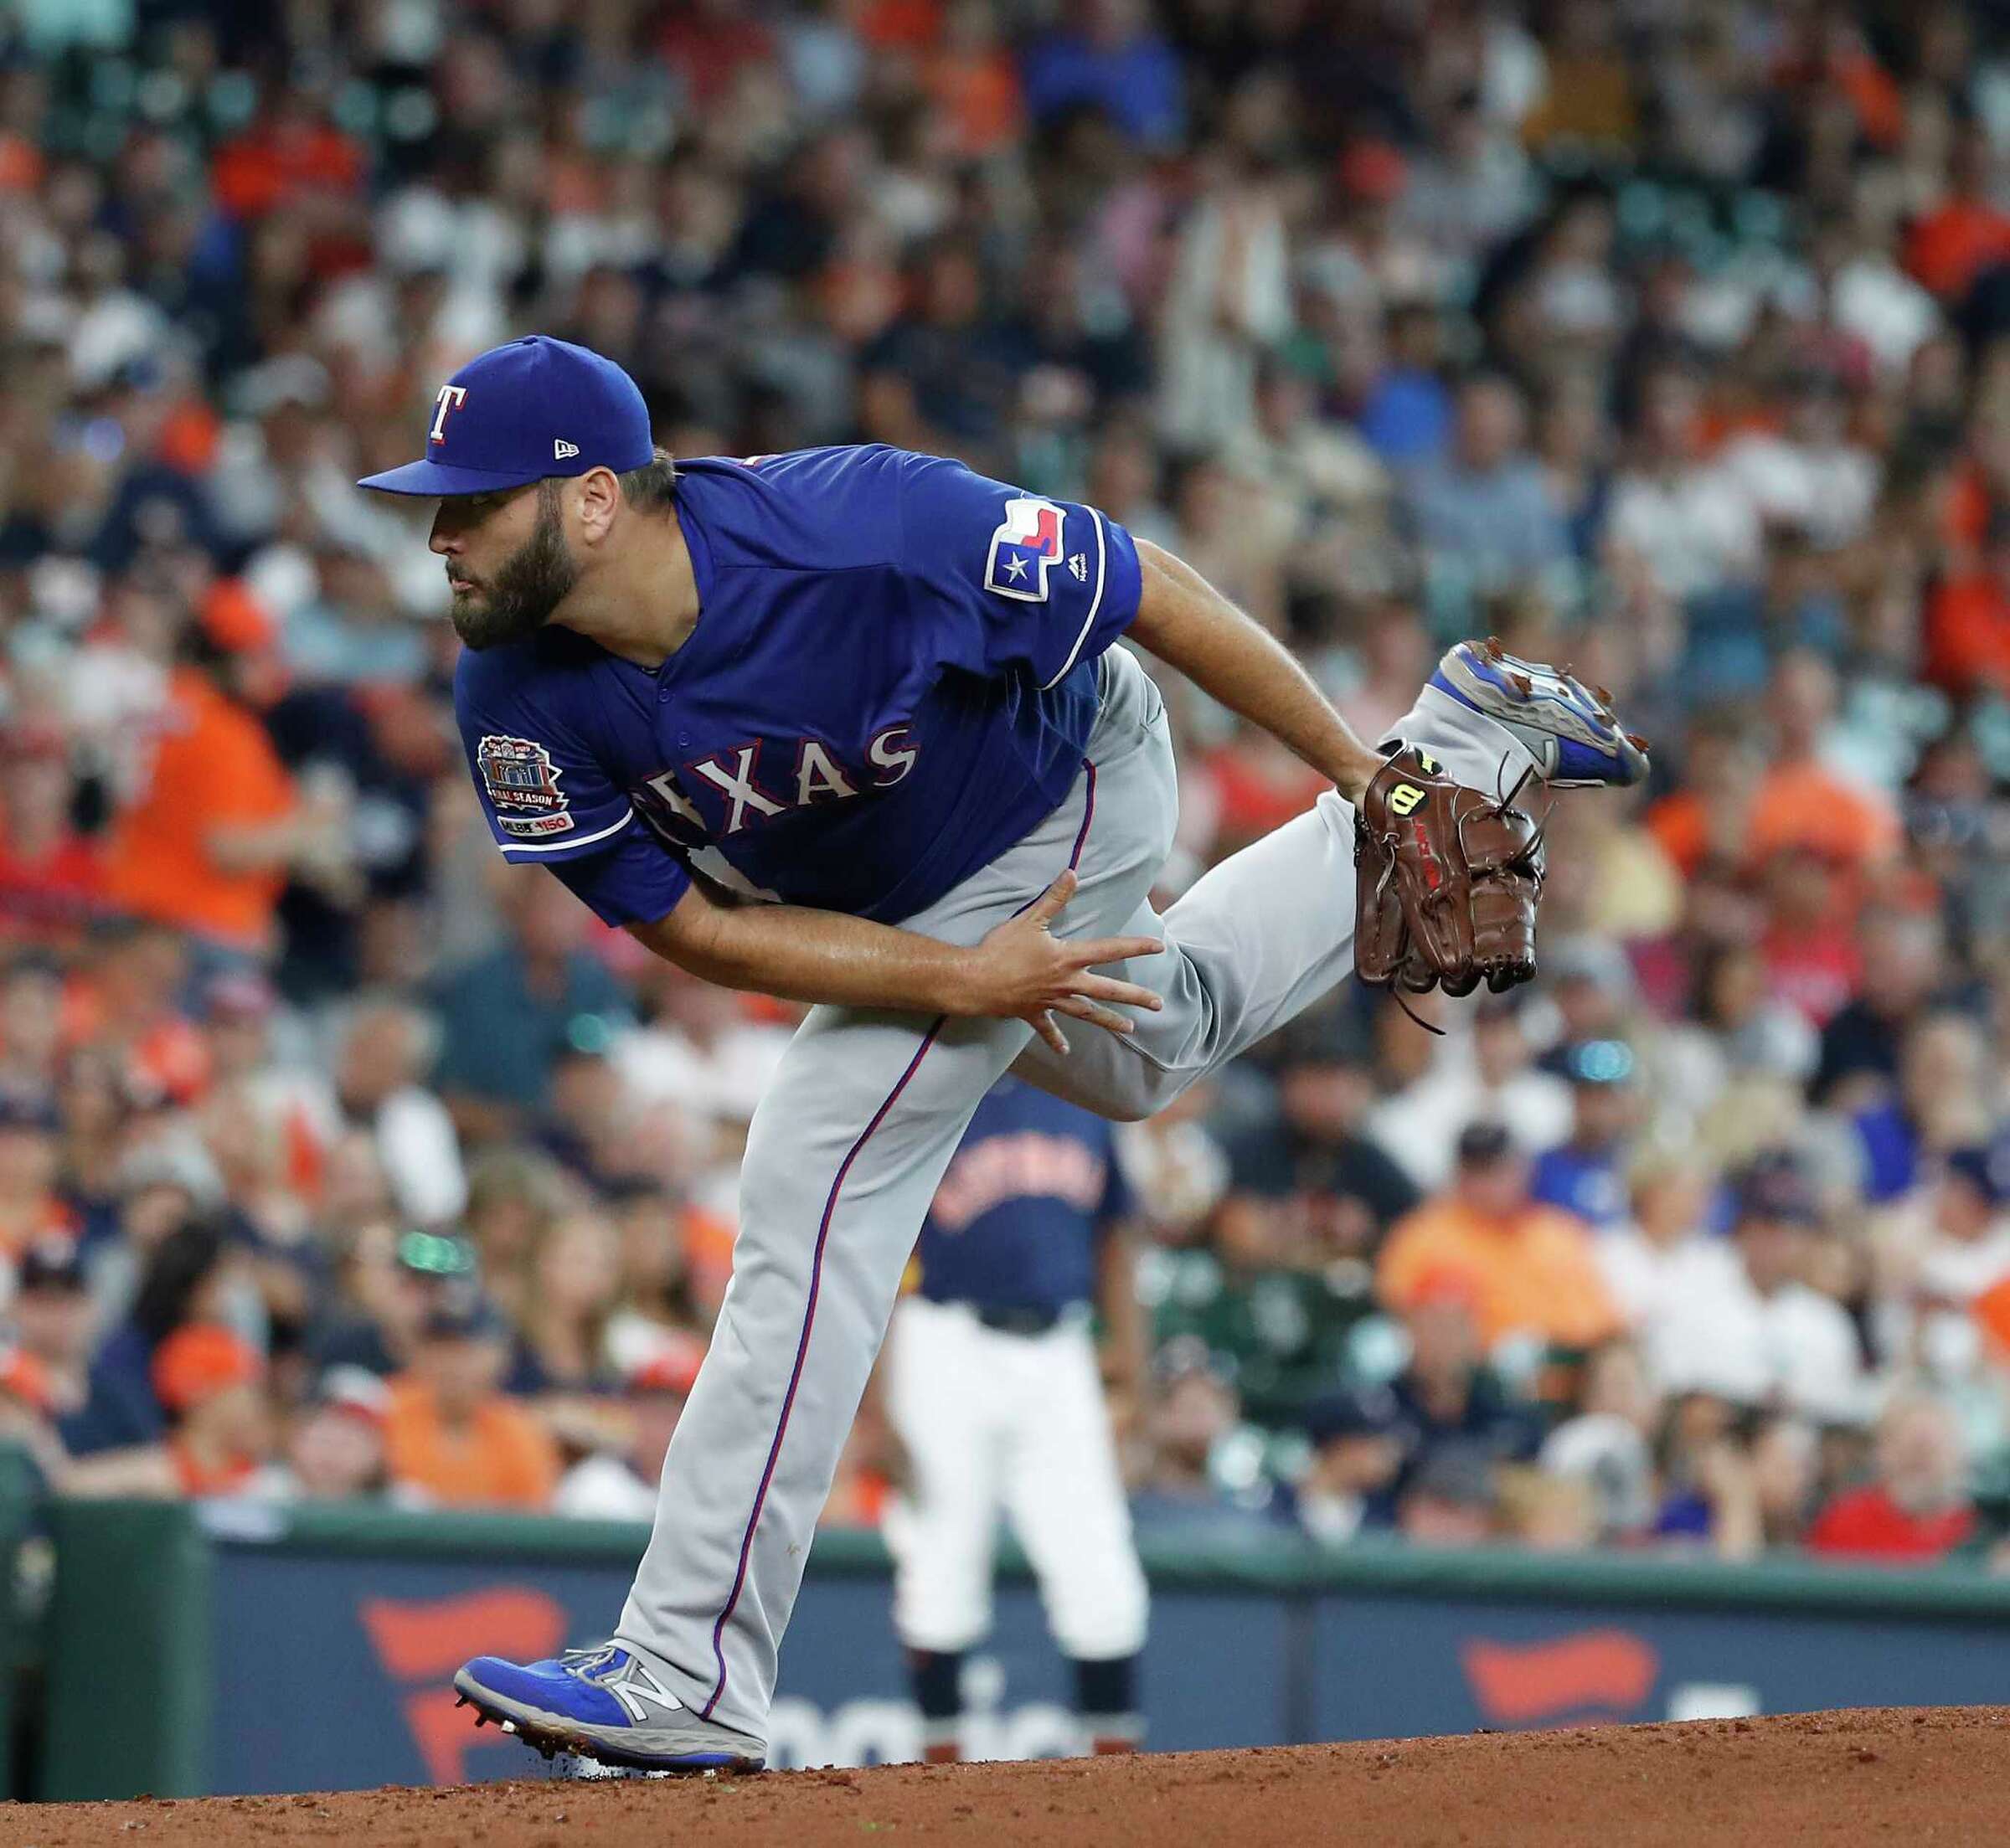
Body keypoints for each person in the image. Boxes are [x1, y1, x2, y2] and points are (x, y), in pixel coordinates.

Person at [358, 336, 1646, 1770]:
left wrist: (1360, 774)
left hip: (1066, 781)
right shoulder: (515, 695)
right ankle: (1467, 739)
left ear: (592, 501)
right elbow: (701, 933)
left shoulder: (861, 523)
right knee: (1163, 1042)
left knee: (815, 1163)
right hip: (895, 900)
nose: (441, 532)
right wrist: (961, 976)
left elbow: (1149, 587)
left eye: (473, 502)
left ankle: (686, 1661)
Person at [883, 1081, 1148, 1763]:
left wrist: (1136, 1382)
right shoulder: (933, 1088)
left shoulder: (1085, 1096)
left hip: (1060, 1346)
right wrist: (875, 1403)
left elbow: (1117, 1241)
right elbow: (879, 1253)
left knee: (1101, 1570)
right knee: (938, 1563)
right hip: (943, 1339)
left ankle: (1116, 1783)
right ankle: (936, 1780)